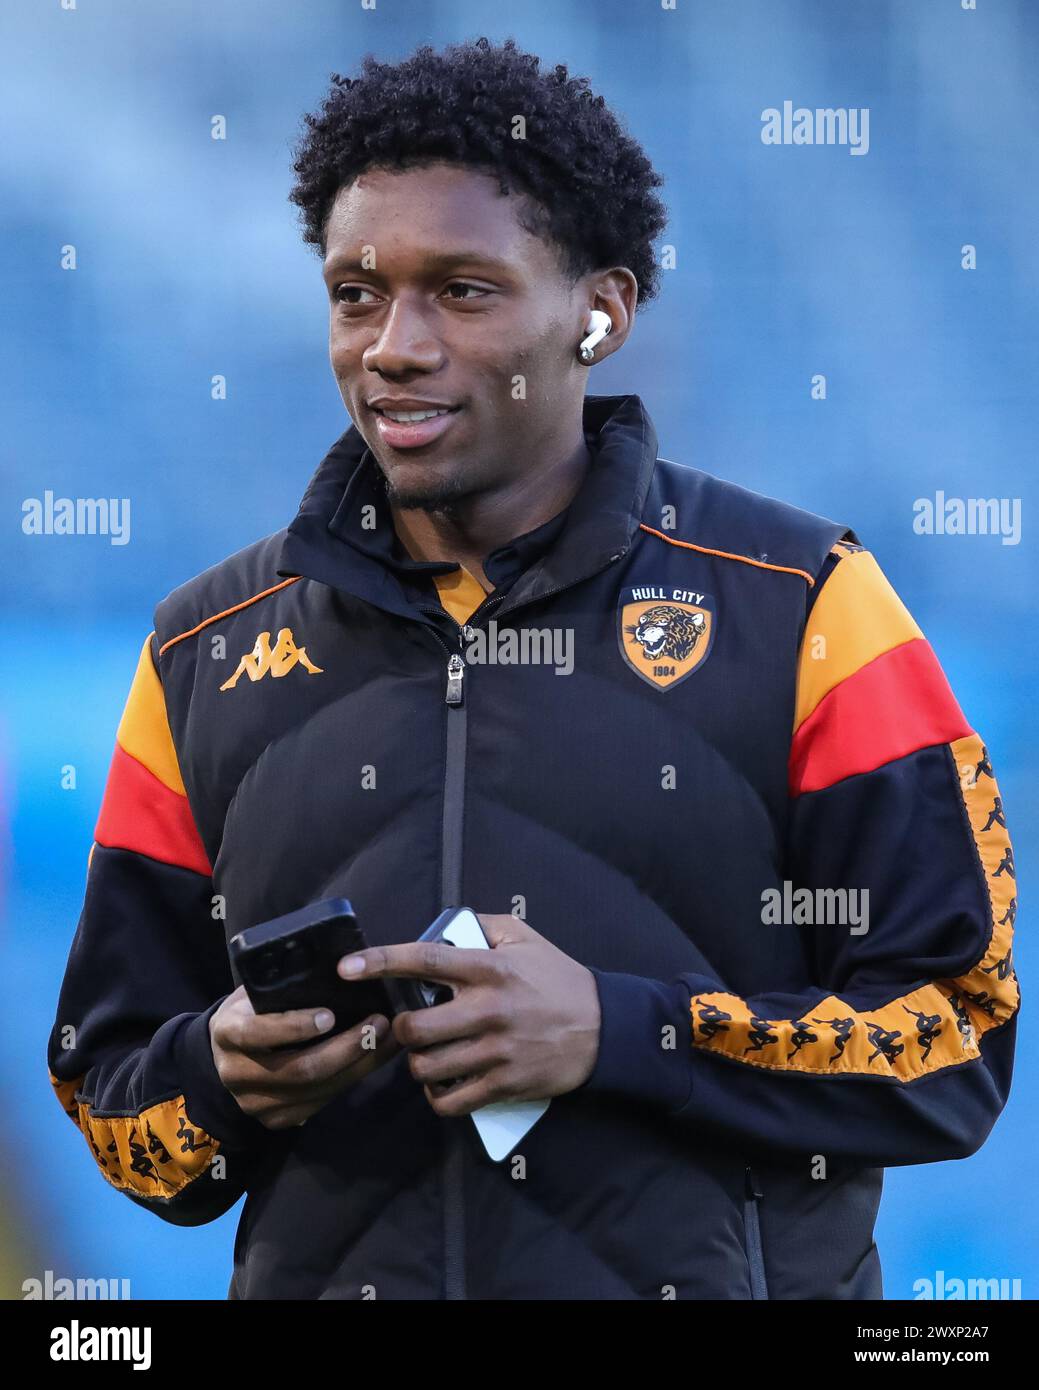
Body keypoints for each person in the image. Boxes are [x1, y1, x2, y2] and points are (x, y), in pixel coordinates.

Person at [48, 36, 1018, 1300]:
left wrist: (624, 1033)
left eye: (462, 290)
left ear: (599, 314)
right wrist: (224, 1074)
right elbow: (110, 1089)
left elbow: (954, 1041)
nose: (391, 344)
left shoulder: (810, 606)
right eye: (355, 292)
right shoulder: (201, 651)